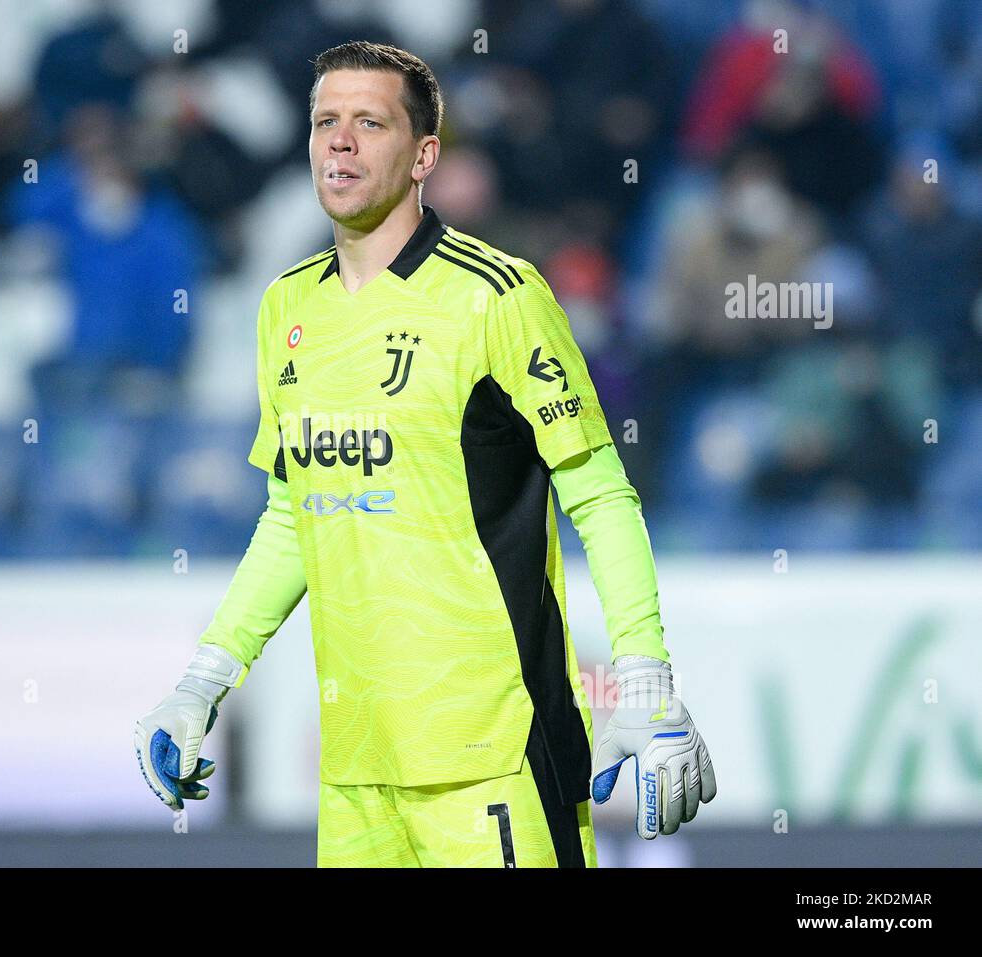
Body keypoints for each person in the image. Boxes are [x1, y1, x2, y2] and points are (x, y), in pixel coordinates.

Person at [135, 41, 716, 867]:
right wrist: (203, 680)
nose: (340, 142)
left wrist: (647, 681)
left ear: (424, 156)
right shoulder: (285, 307)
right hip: (357, 774)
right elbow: (294, 514)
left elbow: (601, 495)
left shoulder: (497, 296)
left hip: (496, 759)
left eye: (369, 123)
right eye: (325, 122)